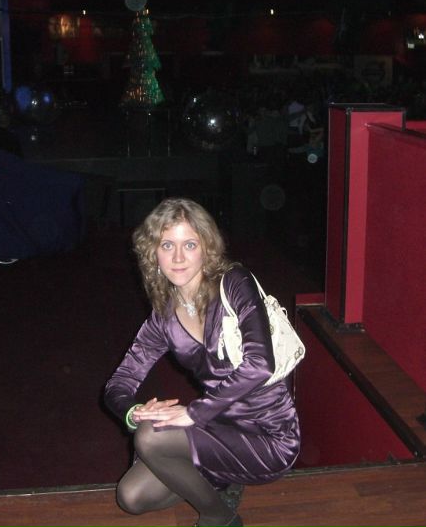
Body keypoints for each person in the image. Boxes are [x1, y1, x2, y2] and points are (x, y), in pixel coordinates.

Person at [104, 198, 300, 527]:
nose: (178, 257)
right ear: (153, 253)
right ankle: (224, 480)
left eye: (190, 244)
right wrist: (133, 411)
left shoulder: (233, 283)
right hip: (215, 426)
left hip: (266, 432)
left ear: (206, 248)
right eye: (167, 245)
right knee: (131, 496)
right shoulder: (163, 317)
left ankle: (218, 517)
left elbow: (260, 364)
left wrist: (194, 413)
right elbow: (118, 383)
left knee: (151, 437)